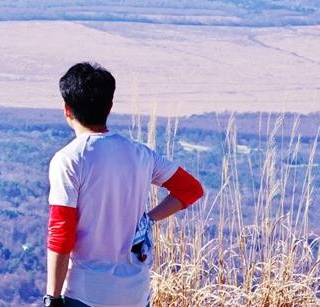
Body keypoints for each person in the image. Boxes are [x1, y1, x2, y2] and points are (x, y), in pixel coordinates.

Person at [43, 62, 204, 307]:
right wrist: (148, 219)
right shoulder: (140, 154)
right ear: (109, 107)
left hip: (86, 293)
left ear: (67, 109)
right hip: (135, 294)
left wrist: (52, 298)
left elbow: (61, 233)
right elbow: (190, 189)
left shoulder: (69, 160)